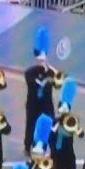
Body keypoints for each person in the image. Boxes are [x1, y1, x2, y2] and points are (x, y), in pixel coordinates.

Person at [23, 28, 56, 156]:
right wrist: (44, 75)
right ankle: (28, 145)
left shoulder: (51, 72)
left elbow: (58, 82)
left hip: (47, 103)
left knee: (51, 123)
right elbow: (32, 83)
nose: (42, 62)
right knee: (31, 124)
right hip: (33, 103)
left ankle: (50, 146)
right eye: (40, 59)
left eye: (44, 59)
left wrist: (49, 71)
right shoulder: (30, 72)